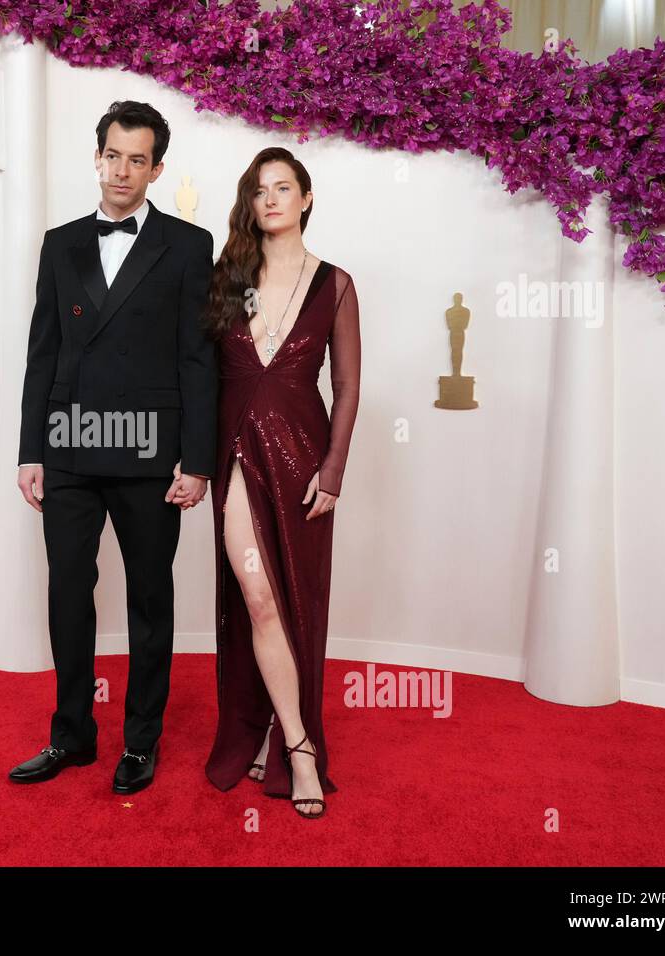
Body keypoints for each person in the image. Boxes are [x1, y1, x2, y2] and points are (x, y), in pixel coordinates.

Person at [9, 101, 218, 794]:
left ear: (157, 169)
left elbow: (197, 359)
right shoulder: (59, 241)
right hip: (68, 446)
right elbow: (42, 351)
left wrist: (198, 458)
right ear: (95, 157)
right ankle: (71, 735)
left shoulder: (189, 246)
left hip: (151, 452)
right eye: (112, 155)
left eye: (138, 159)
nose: (122, 170)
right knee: (68, 594)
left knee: (149, 599)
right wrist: (30, 448)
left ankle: (140, 741)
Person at [202, 147, 361, 819]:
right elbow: (202, 374)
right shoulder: (229, 277)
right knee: (258, 598)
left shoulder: (336, 283)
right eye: (259, 189)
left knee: (297, 600)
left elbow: (349, 386)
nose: (270, 199)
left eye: (283, 187)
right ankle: (299, 748)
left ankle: (283, 730)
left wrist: (333, 470)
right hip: (235, 451)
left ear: (306, 198)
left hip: (302, 460)